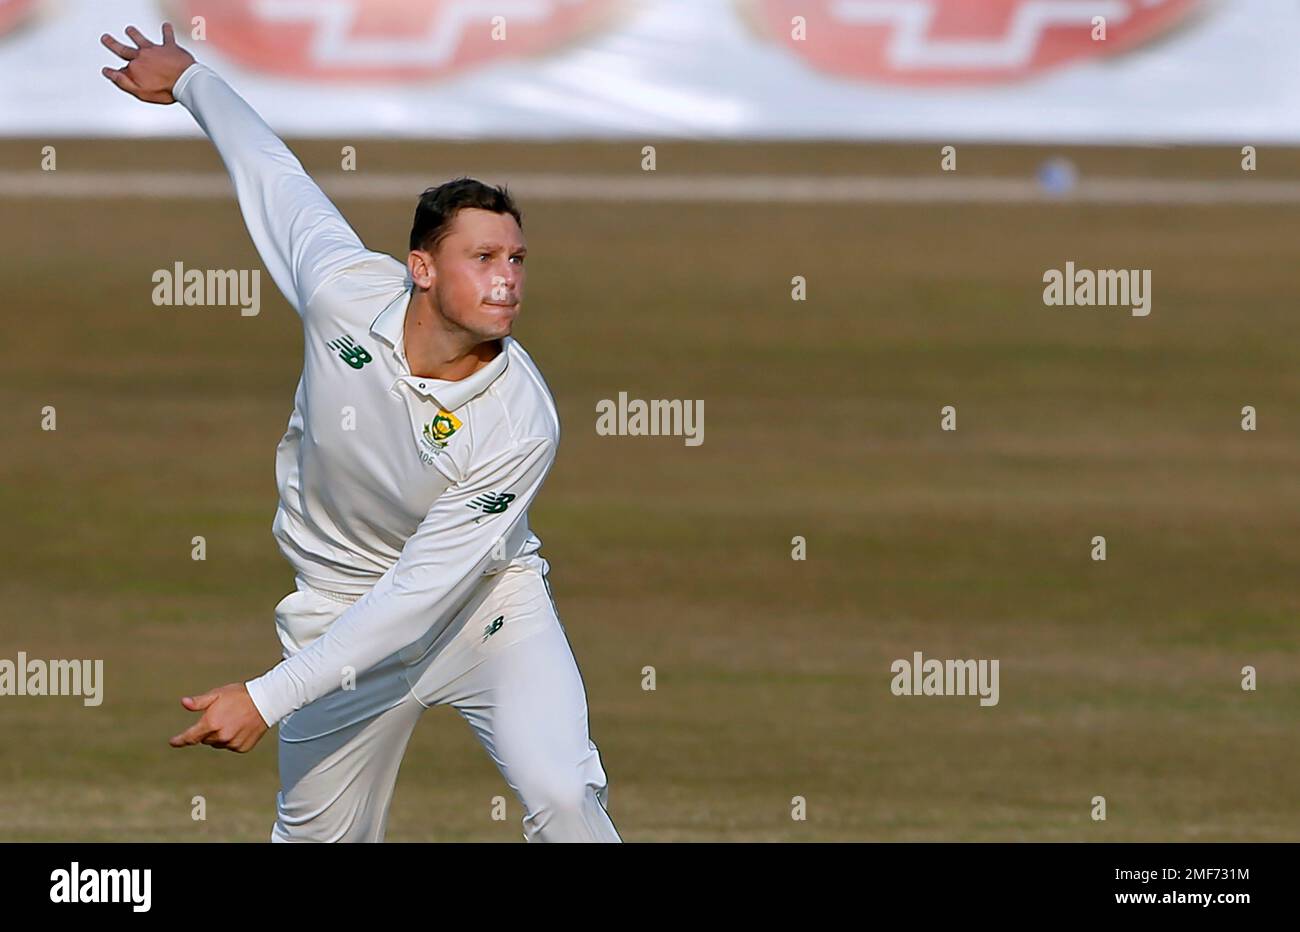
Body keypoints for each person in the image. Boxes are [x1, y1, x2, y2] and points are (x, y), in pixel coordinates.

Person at [101, 22, 621, 843]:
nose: (508, 278)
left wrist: (265, 696)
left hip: (484, 610)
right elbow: (277, 181)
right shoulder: (346, 291)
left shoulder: (521, 418)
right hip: (335, 616)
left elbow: (419, 594)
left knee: (564, 798)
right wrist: (191, 79)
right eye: (483, 257)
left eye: (517, 260)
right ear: (420, 267)